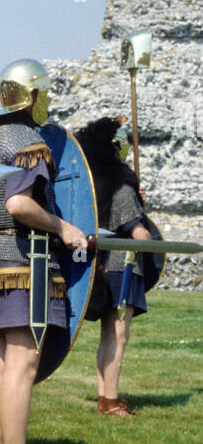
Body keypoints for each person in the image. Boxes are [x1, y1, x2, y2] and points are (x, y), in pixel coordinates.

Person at [0, 60, 87, 444]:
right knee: (22, 362)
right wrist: (63, 227)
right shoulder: (26, 140)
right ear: (33, 95)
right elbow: (19, 205)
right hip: (24, 257)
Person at [75, 117, 151, 417]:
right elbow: (139, 234)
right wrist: (146, 227)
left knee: (109, 334)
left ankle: (105, 395)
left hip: (104, 266)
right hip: (124, 265)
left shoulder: (97, 186)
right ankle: (110, 399)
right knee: (118, 335)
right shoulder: (121, 187)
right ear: (117, 149)